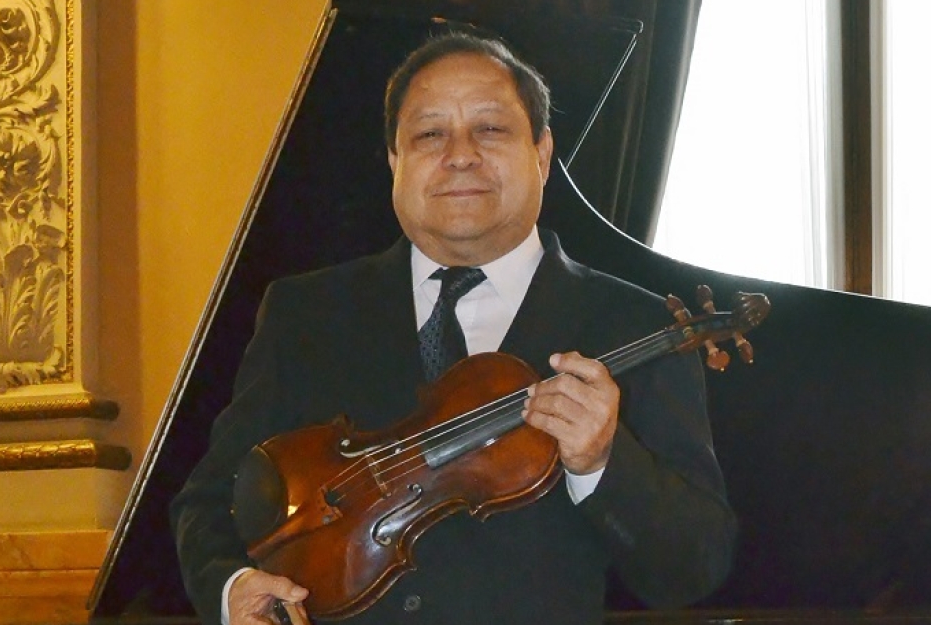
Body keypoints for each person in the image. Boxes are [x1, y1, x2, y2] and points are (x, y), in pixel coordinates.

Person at [170, 32, 736, 625]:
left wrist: (601, 461)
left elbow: (694, 567)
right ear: (395, 160)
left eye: (490, 129)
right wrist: (230, 590)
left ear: (541, 154)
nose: (460, 155)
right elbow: (210, 501)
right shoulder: (303, 313)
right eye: (430, 134)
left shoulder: (633, 325)